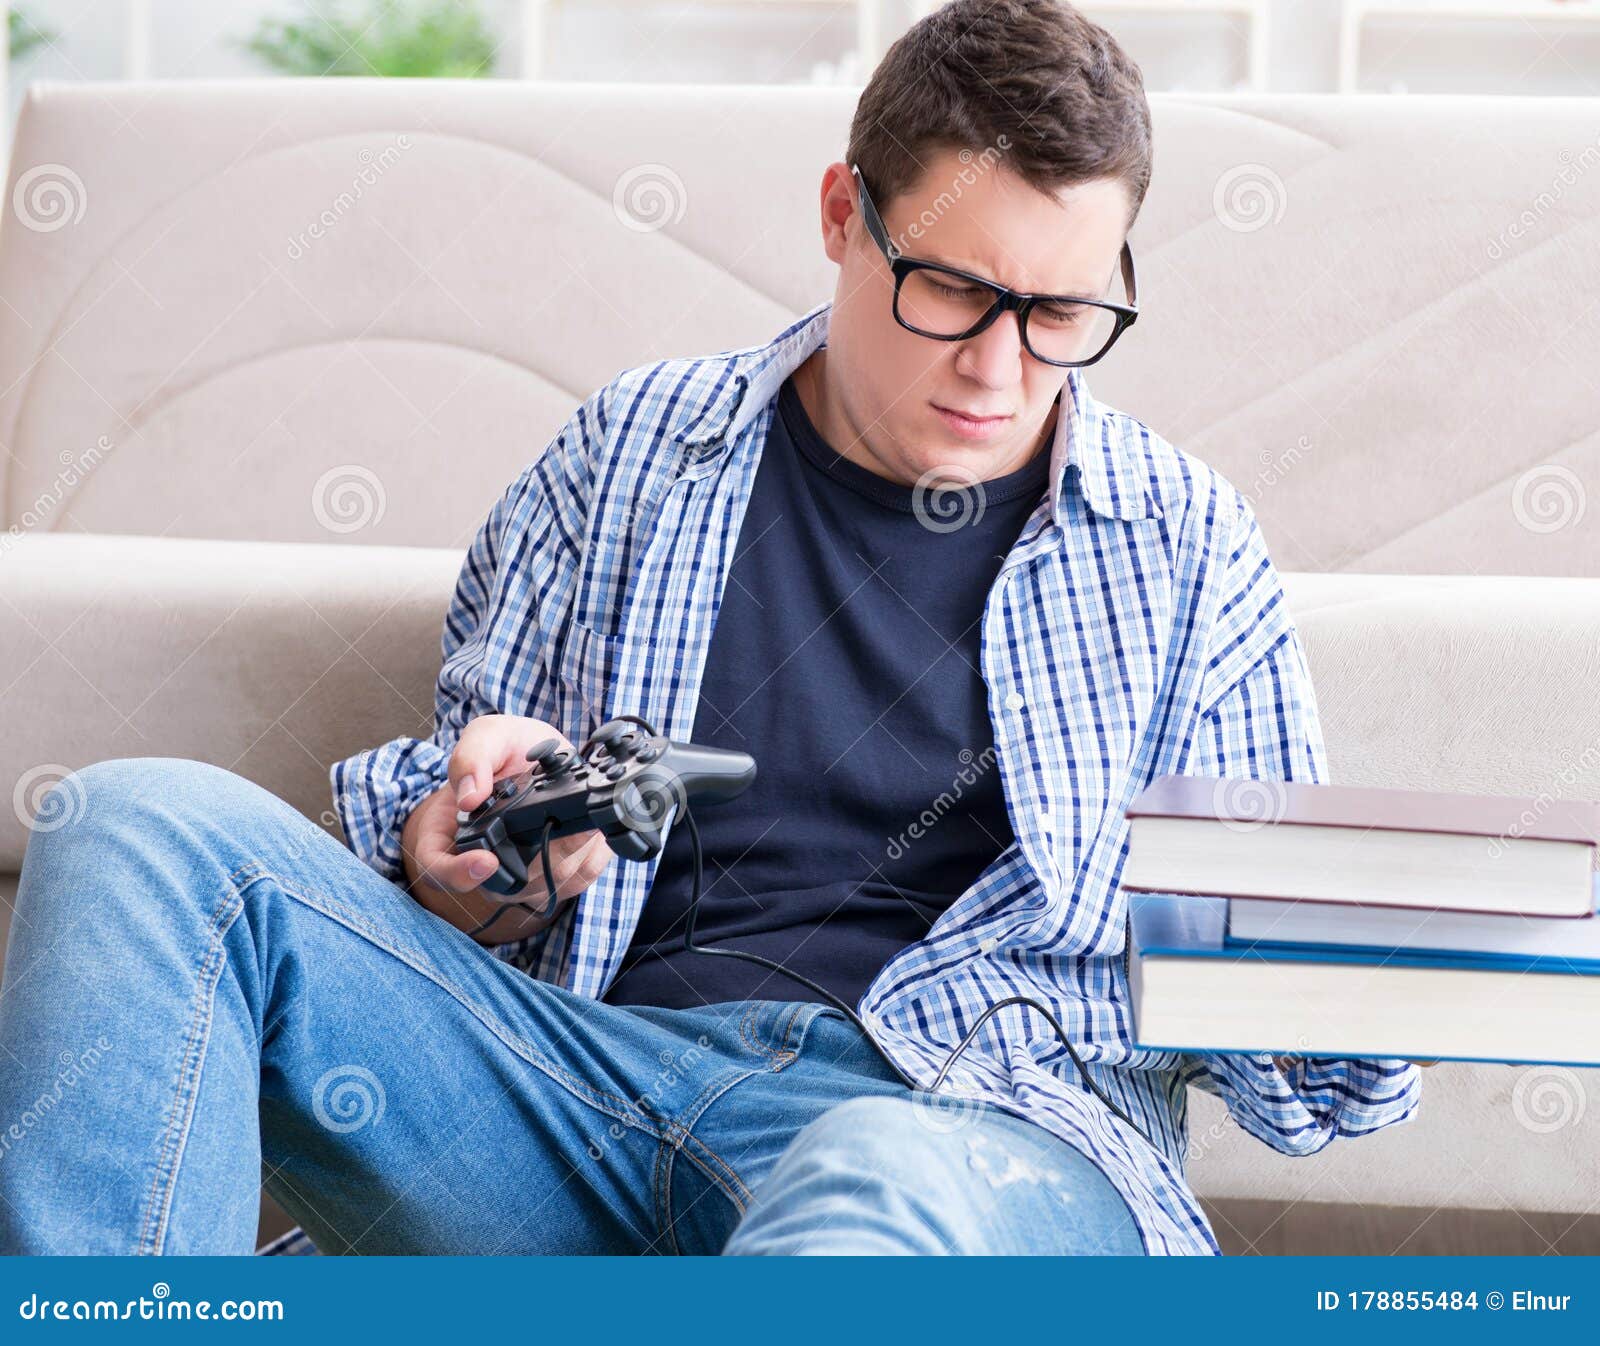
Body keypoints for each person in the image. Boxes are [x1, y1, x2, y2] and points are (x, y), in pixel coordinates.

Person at [0, 0, 1420, 1257]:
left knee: (869, 1180)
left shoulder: (1184, 549)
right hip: (586, 1093)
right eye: (953, 292)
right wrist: (467, 863)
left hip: (971, 1133)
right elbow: (480, 880)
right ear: (839, 217)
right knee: (133, 829)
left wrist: (1377, 974)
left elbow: (1303, 1075)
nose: (1002, 367)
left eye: (1059, 313)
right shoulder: (630, 453)